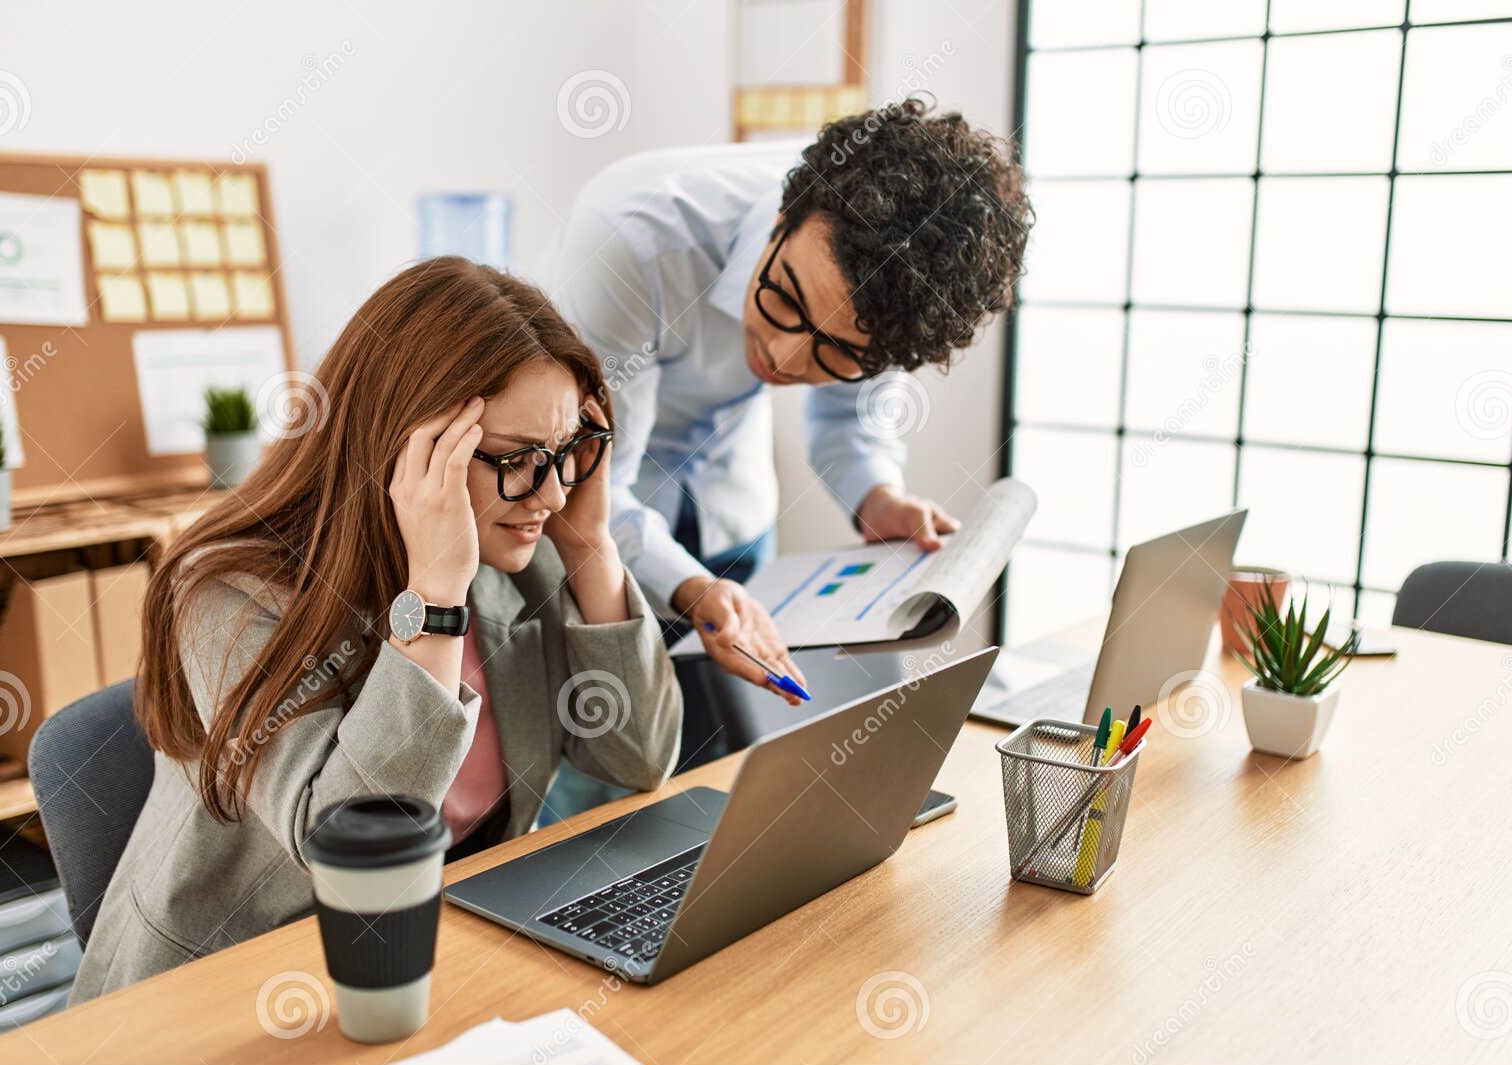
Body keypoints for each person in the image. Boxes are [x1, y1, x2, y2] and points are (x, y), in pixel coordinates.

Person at [71, 258, 681, 1001]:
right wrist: (435, 598)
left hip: (436, 957)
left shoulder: (524, 556)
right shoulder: (228, 592)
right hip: (231, 989)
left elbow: (638, 755)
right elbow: (348, 841)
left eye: (565, 453)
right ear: (406, 447)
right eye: (519, 458)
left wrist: (592, 547)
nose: (551, 494)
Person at [551, 95, 1031, 771]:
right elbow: (592, 491)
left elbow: (847, 421)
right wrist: (690, 588)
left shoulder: (896, 286)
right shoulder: (632, 240)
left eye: (836, 353)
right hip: (592, 508)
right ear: (783, 220)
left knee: (738, 759)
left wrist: (878, 498)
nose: (783, 357)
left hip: (728, 505)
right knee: (606, 760)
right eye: (786, 300)